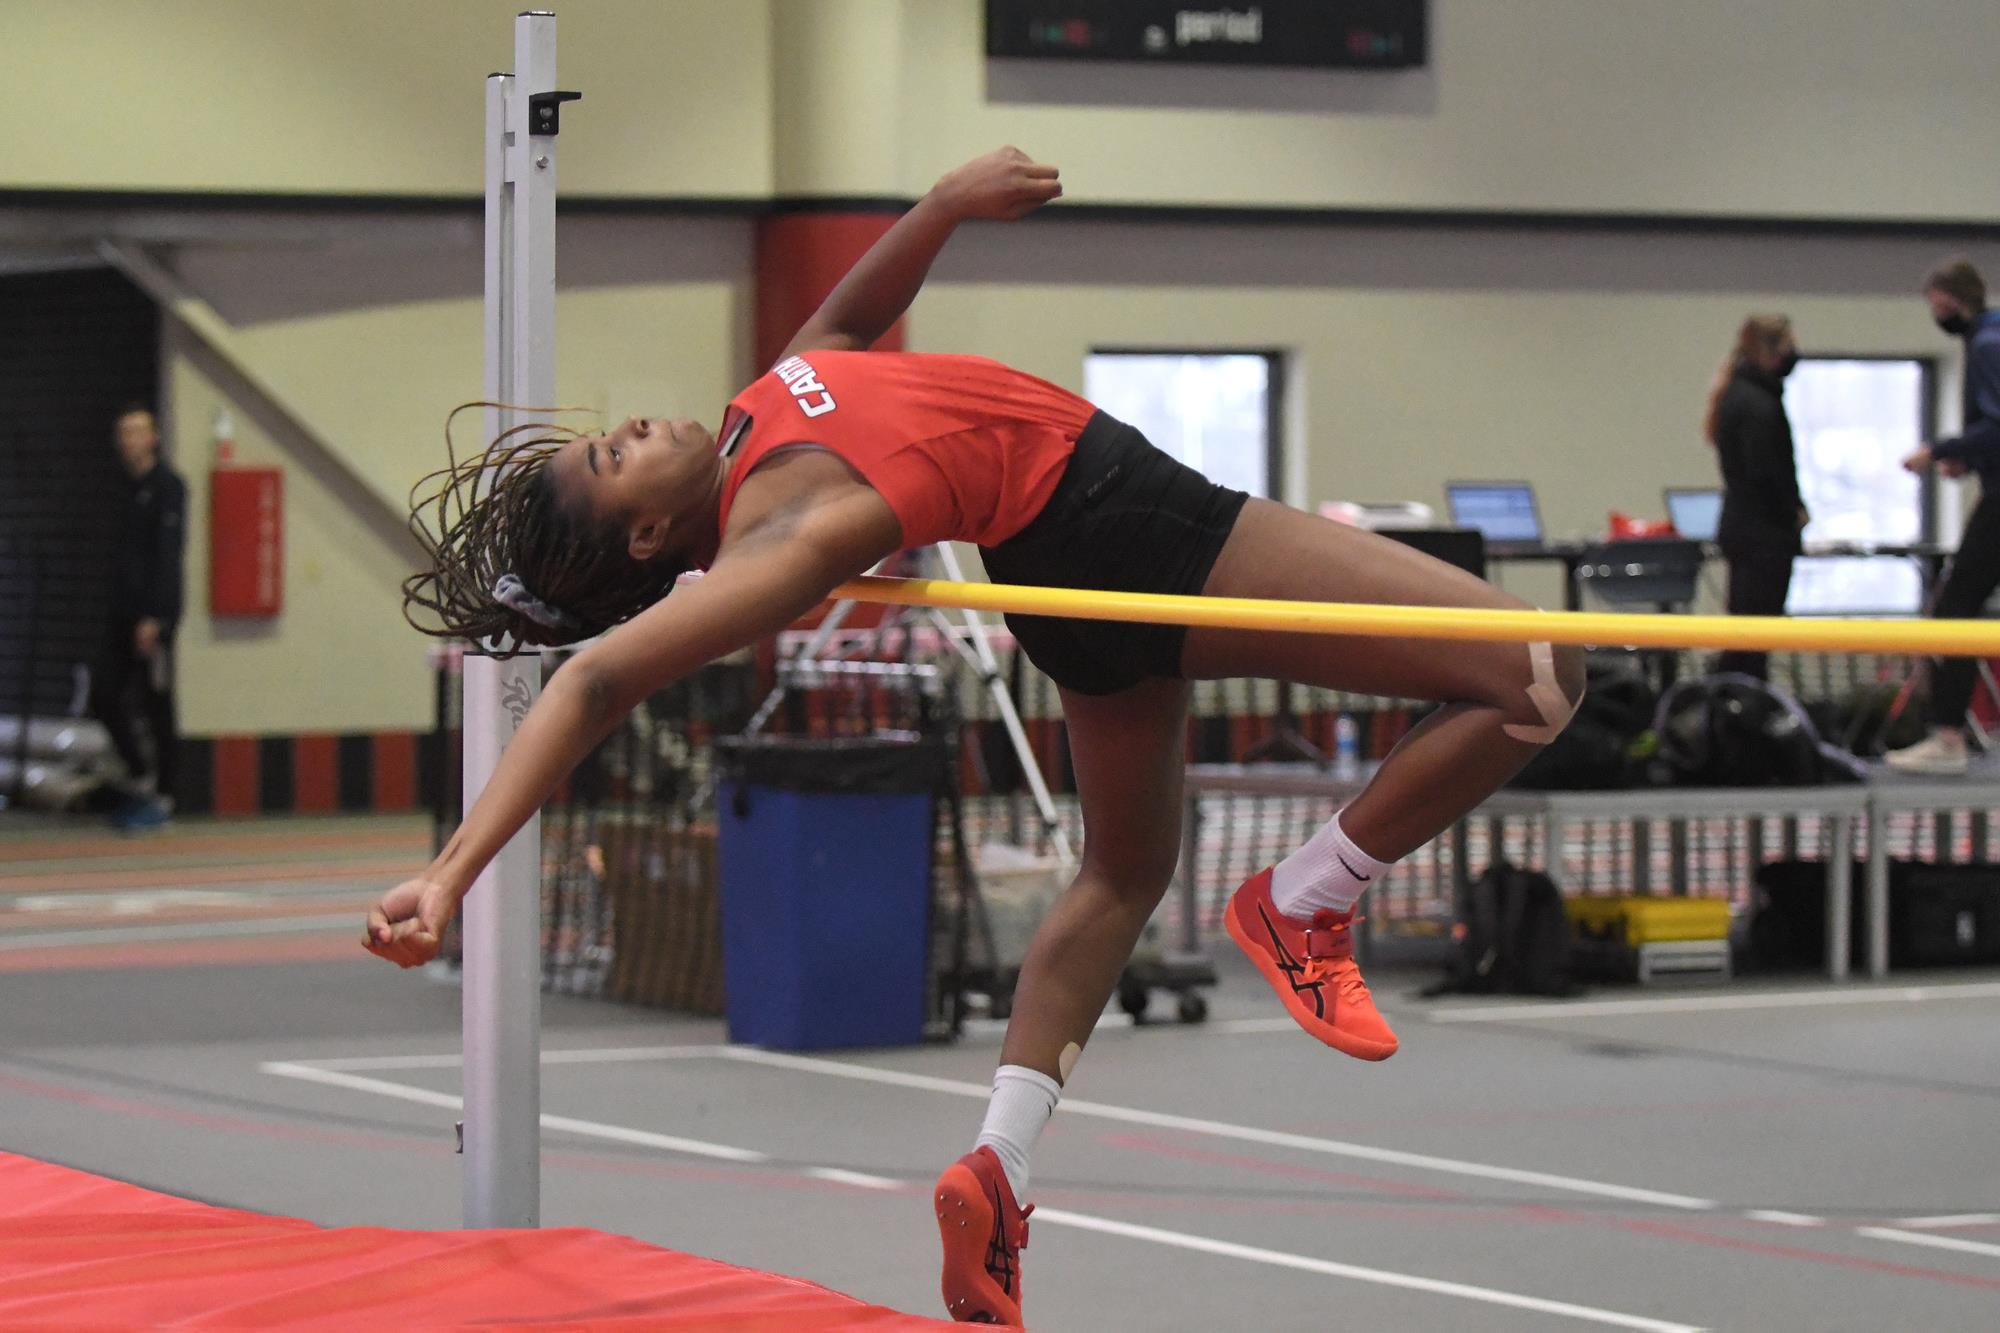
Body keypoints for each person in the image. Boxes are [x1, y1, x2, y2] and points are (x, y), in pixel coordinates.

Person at [365, 147, 1584, 1326]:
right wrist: (452, 871)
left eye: (607, 430)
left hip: (1063, 570)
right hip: (1127, 523)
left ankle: (999, 1166)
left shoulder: (755, 426)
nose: (625, 425)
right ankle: (1308, 896)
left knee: (1120, 873)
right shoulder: (788, 536)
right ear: (644, 540)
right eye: (609, 457)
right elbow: (590, 686)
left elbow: (845, 325)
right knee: (1535, 669)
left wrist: (941, 206)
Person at [1887, 259, 2000, 775]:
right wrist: (1967, 457)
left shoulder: (1985, 346)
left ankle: (1949, 737)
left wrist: (1936, 450)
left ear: (1950, 299)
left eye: (1933, 304)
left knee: (1954, 608)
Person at [90, 405, 186, 831]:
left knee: (155, 701)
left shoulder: (168, 488)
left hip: (152, 618)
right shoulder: (118, 489)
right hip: (120, 614)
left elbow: (168, 556)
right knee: (104, 692)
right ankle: (138, 770)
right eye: (122, 433)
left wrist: (157, 618)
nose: (129, 440)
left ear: (153, 438)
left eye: (136, 432)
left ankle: (165, 792)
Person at [1702, 315, 1805, 681]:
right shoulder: (1757, 403)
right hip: (1763, 534)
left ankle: (1735, 707)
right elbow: (1766, 471)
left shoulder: (1740, 394)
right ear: (1772, 349)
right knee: (1751, 641)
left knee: (1746, 636)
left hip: (1747, 529)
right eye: (1790, 345)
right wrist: (1793, 510)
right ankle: (1737, 715)